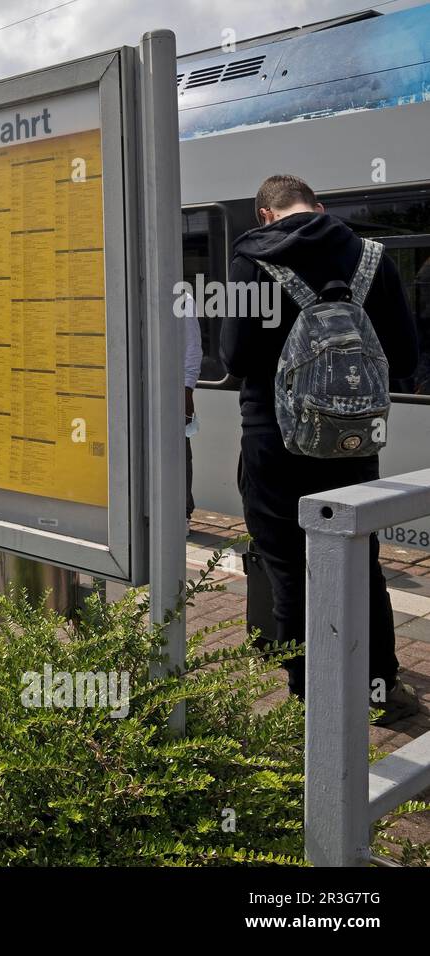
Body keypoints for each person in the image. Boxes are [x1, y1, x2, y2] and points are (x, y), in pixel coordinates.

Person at [221, 173, 421, 724]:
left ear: (265, 215)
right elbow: (404, 356)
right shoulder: (372, 256)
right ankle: (381, 689)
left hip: (273, 440)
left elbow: (234, 356)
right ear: (320, 206)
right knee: (362, 561)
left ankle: (309, 699)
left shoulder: (251, 260)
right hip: (352, 441)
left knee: (287, 566)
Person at [183, 291, 202, 528]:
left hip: (169, 392)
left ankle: (182, 515)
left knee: (178, 454)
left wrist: (187, 391)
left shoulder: (181, 298)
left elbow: (192, 349)